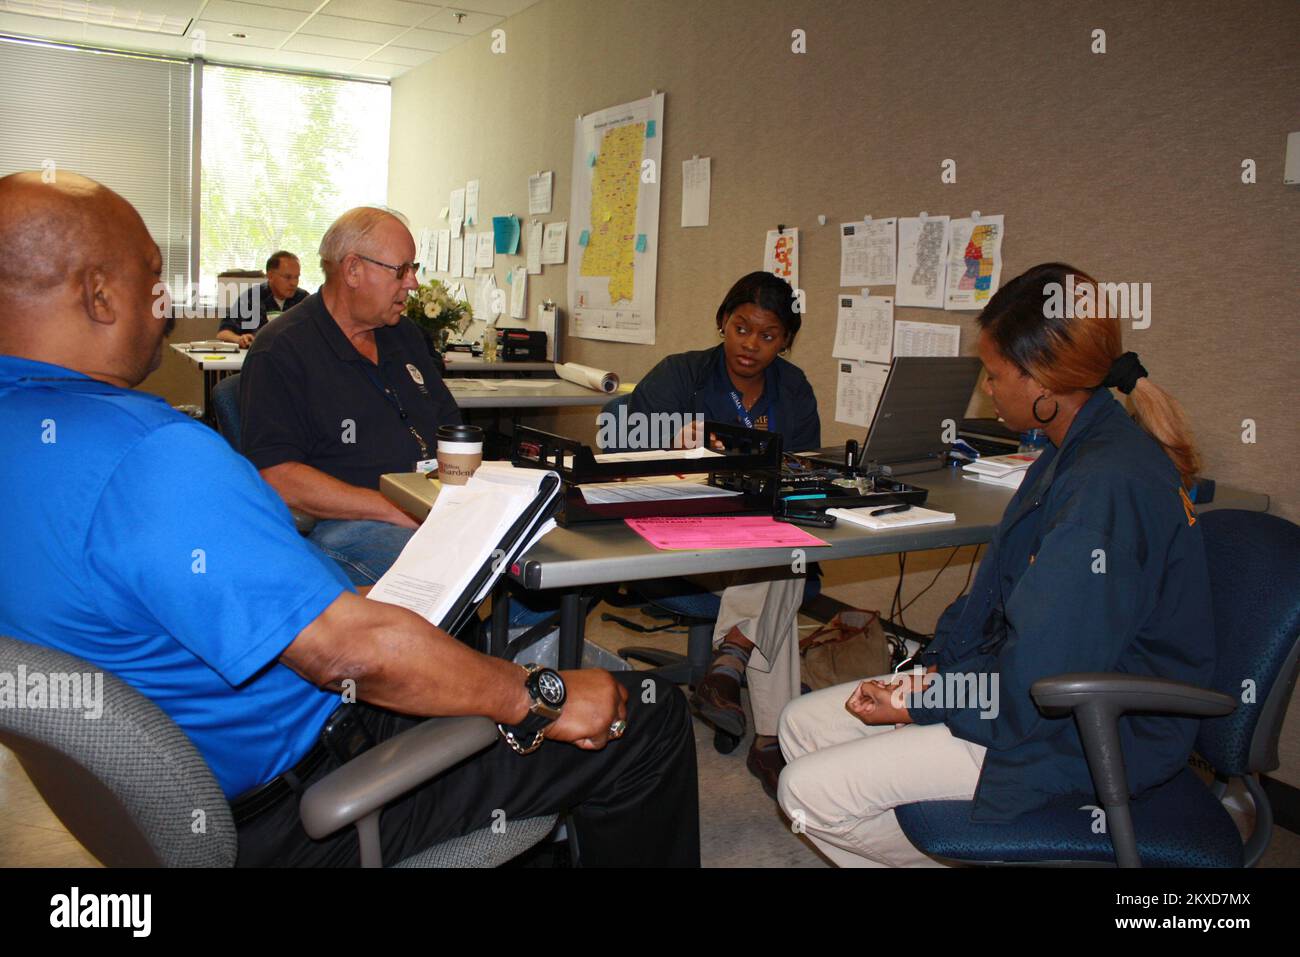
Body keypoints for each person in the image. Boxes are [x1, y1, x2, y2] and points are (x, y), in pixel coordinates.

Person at [0, 170, 700, 867]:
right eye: (152, 276)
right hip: (308, 800)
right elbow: (347, 653)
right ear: (97, 294)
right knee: (643, 713)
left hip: (176, 798)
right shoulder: (154, 455)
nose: (167, 299)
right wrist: (537, 695)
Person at [776, 262, 1214, 867]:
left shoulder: (1103, 489)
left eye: (995, 373)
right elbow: (997, 606)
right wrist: (933, 671)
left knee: (805, 792)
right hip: (1022, 686)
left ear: (1041, 382)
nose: (987, 388)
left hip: (1085, 728)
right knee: (803, 724)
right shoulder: (1068, 451)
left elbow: (1045, 675)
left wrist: (926, 703)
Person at [621, 271, 821, 797]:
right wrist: (668, 442)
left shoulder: (793, 387)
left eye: (768, 335)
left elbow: (803, 468)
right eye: (740, 328)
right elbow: (612, 440)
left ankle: (729, 662)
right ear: (722, 323)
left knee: (780, 556)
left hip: (761, 535)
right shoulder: (680, 375)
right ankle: (769, 739)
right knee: (784, 567)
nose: (751, 345)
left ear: (786, 341)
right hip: (686, 541)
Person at [238, 210, 459, 587]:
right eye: (402, 269)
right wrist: (394, 508)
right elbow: (276, 475)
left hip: (431, 504)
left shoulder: (404, 335)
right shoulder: (282, 350)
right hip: (343, 524)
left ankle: (488, 637)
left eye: (413, 267)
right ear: (353, 270)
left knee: (537, 555)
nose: (414, 283)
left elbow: (451, 430)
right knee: (442, 567)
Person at [216, 250, 308, 348]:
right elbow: (223, 333)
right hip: (260, 356)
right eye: (287, 277)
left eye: (296, 277)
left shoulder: (304, 300)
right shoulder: (251, 298)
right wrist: (239, 339)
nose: (293, 283)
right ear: (270, 276)